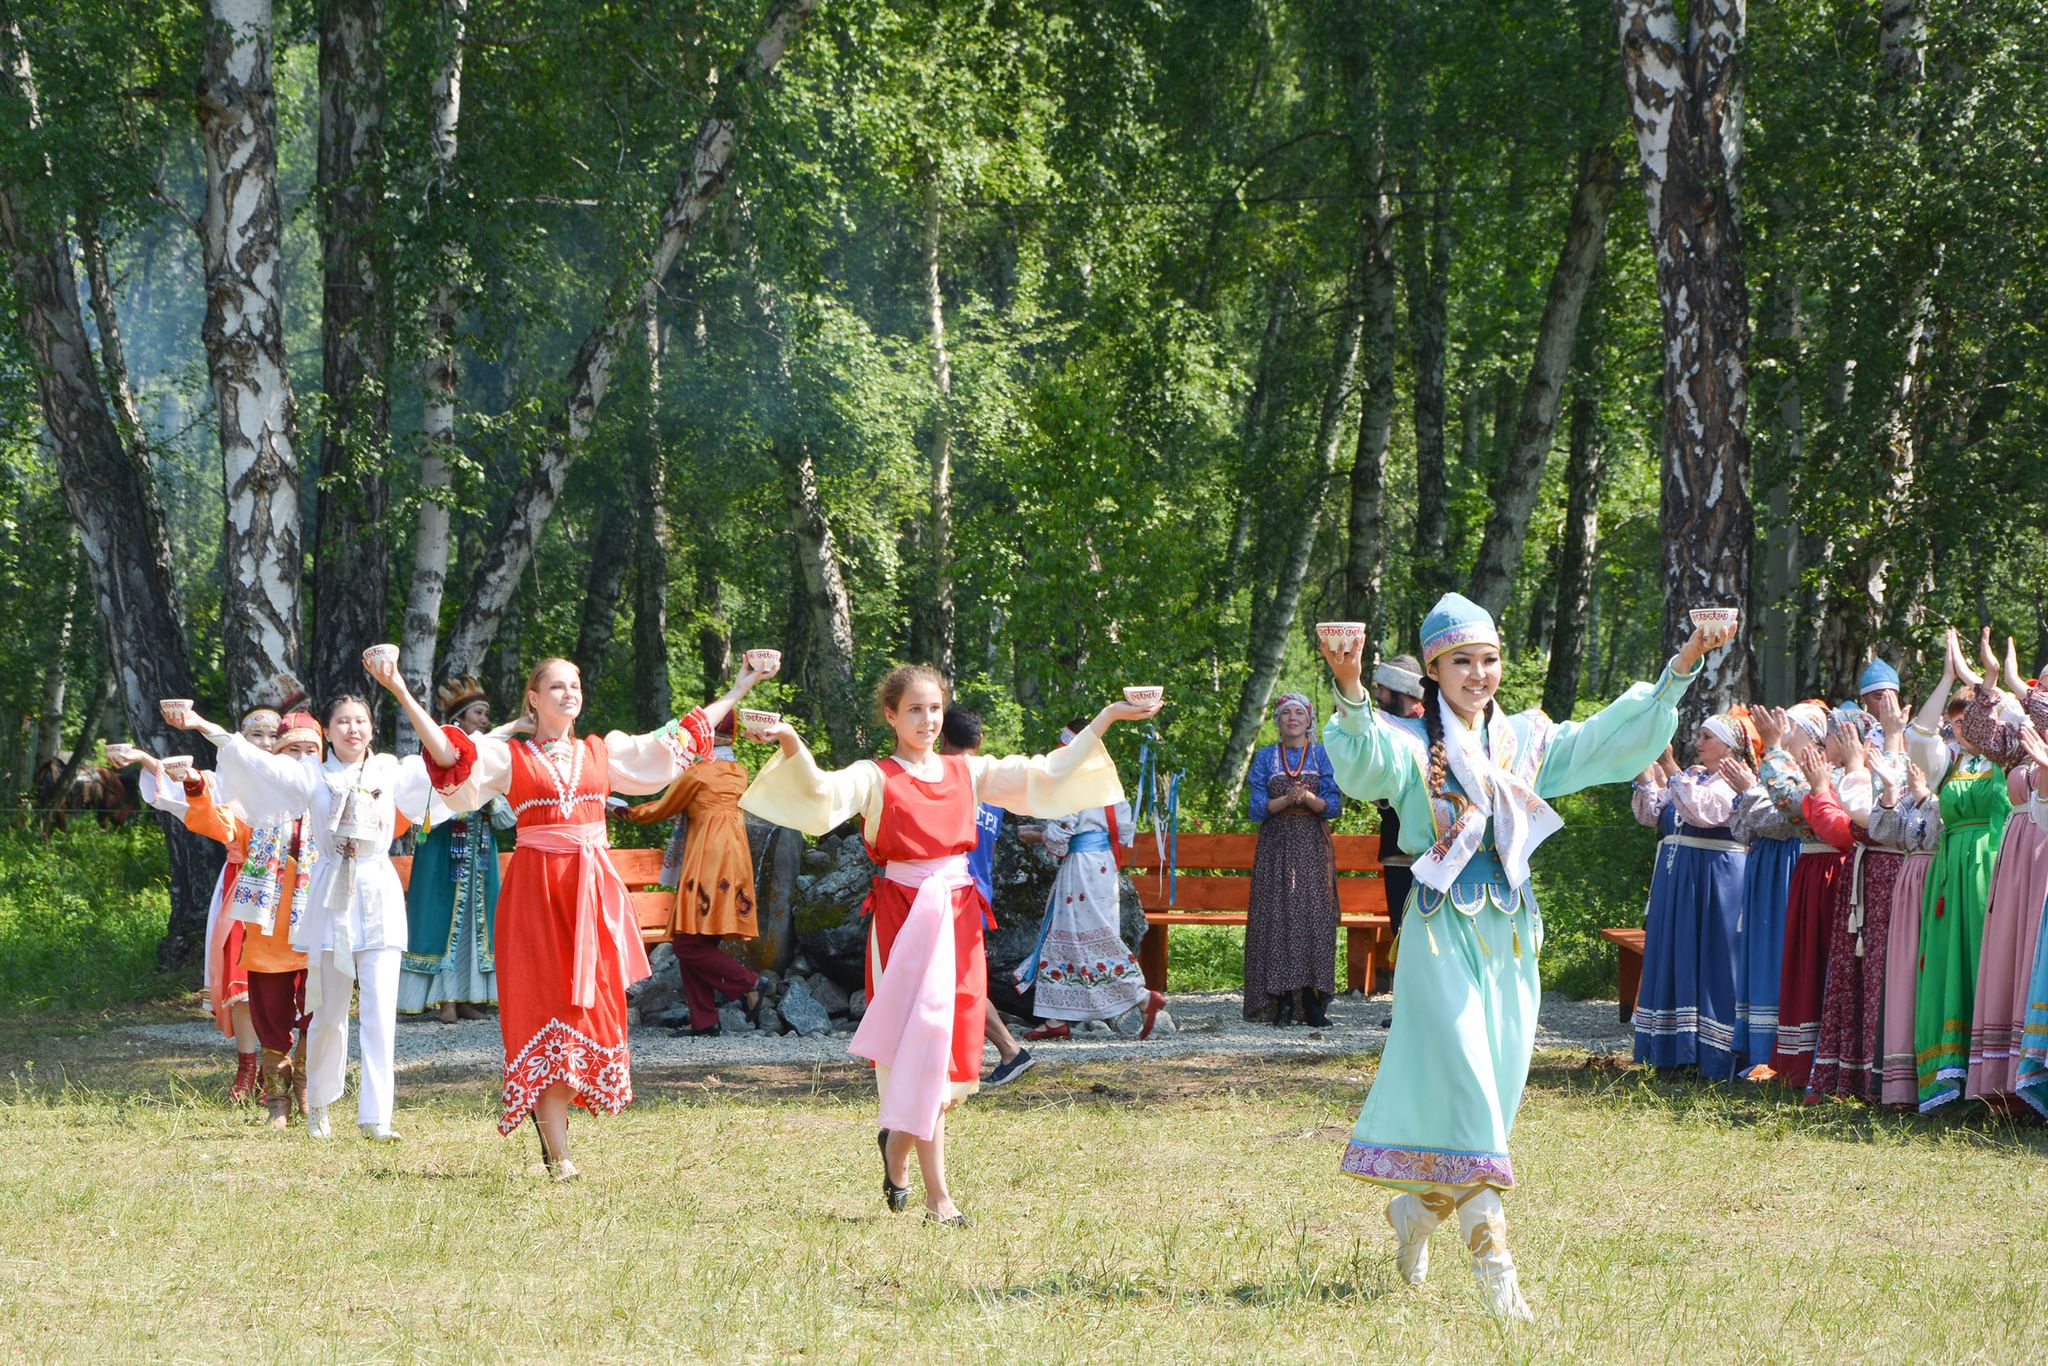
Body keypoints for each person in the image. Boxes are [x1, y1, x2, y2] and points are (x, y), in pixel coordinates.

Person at [1318, 591, 1730, 1321]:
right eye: (1462, 662)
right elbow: (1362, 762)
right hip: (1441, 929)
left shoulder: (1529, 743)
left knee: (1491, 1105)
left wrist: (1684, 664)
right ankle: (1496, 1270)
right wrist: (1350, 686)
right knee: (1473, 1091)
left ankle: (1416, 1213)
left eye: (1489, 659)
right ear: (1436, 672)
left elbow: (1609, 737)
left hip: (1511, 935)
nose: (1479, 674)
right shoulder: (1412, 744)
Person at [740, 666, 1157, 1225]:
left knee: (950, 1052)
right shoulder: (875, 776)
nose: (927, 720)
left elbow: (1050, 772)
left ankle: (895, 1153)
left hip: (959, 921)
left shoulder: (970, 770)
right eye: (914, 709)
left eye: (934, 709)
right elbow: (820, 791)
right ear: (891, 715)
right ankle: (940, 1197)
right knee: (924, 1052)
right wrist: (791, 739)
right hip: (902, 924)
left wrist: (1107, 717)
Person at [377, 653, 767, 1180]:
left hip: (590, 894)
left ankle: (555, 1129)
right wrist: (399, 687)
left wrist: (740, 686)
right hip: (535, 895)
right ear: (534, 699)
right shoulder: (508, 758)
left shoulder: (603, 752)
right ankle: (559, 1154)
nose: (569, 694)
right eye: (556, 687)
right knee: (542, 1005)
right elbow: (448, 754)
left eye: (575, 685)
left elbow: (674, 740)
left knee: (589, 1006)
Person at [166, 689, 432, 1141]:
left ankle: (377, 1118)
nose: (353, 729)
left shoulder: (390, 768)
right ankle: (320, 1107)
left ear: (372, 728)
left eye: (361, 721)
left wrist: (402, 690)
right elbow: (256, 763)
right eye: (343, 722)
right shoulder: (312, 774)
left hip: (378, 893)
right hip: (328, 897)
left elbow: (446, 765)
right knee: (327, 1014)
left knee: (380, 1012)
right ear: (328, 731)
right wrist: (202, 727)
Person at [135, 703, 281, 1102]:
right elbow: (182, 795)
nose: (265, 743)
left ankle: (277, 1068)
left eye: (273, 736)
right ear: (241, 741)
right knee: (242, 979)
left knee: (282, 981)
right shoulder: (224, 783)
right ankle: (247, 1066)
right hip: (240, 885)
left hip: (289, 888)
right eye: (256, 735)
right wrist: (146, 760)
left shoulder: (294, 782)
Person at [1906, 627, 2013, 1111]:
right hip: (1951, 871)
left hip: (1992, 866)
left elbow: (2013, 713)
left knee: (1985, 963)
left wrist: (1989, 679)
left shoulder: (2007, 760)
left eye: (1968, 713)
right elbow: (1918, 737)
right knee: (1951, 966)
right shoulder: (1949, 762)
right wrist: (1949, 677)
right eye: (1959, 715)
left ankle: (1993, 1083)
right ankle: (1951, 1084)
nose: (1960, 723)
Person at [1012, 718, 1162, 1041]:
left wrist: (1037, 835)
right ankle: (1055, 1019)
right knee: (1073, 933)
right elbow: (1124, 828)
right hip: (1103, 865)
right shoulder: (1107, 779)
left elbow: (1059, 835)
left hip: (1081, 866)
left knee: (1085, 937)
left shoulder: (1074, 781)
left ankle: (1142, 997)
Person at [620, 711, 766, 1038]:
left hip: (708, 860)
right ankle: (705, 1021)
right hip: (736, 861)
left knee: (687, 944)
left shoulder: (699, 773)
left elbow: (661, 808)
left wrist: (623, 811)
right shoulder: (739, 772)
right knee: (697, 940)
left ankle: (751, 983)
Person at [1628, 712, 1752, 1076]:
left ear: (1729, 747)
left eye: (1706, 737)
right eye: (1698, 736)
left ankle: (1712, 1055)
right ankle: (1669, 1049)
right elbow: (1651, 814)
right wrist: (1643, 773)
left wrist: (1668, 763)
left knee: (1711, 956)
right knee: (1674, 952)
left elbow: (1701, 811)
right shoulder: (1695, 776)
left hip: (1715, 880)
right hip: (1678, 879)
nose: (1698, 743)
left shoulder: (1733, 782)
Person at [1802, 693, 1911, 1101]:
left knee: (1880, 971)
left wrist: (1851, 766)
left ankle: (1880, 1075)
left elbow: (1861, 816)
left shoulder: (1874, 770)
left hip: (1885, 877)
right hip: (1864, 876)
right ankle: (1852, 1072)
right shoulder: (1862, 769)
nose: (1823, 748)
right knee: (1856, 974)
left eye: (1830, 739)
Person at [399, 677, 517, 1023]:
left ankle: (468, 997)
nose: (484, 719)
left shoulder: (488, 756)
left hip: (479, 853)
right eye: (479, 713)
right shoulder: (436, 756)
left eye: (486, 714)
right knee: (442, 918)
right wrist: (465, 799)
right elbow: (429, 805)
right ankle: (444, 1000)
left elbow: (505, 816)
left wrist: (488, 799)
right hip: (443, 852)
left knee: (474, 924)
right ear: (459, 720)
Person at [1964, 637, 2048, 1101]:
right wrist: (1992, 681)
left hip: (2044, 852)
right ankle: (2007, 1081)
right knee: (2011, 954)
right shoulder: (2026, 743)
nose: (2041, 694)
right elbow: (1980, 733)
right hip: (2019, 847)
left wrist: (2021, 685)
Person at [939, 707, 1033, 1087]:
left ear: (941, 739)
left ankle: (1011, 1050)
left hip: (954, 895)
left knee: (959, 981)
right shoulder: (990, 791)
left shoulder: (943, 781)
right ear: (979, 743)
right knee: (954, 979)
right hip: (977, 895)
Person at [1756, 701, 1847, 1090]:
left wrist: (1773, 747)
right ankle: (1801, 1059)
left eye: (1788, 728)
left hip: (1832, 872)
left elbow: (1790, 801)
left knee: (1822, 960)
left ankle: (1823, 1060)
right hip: (1811, 870)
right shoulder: (1824, 777)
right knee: (1806, 960)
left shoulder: (1839, 776)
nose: (1781, 732)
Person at [1242, 693, 1345, 1025]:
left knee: (1313, 915)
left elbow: (1335, 804)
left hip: (1312, 846)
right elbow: (1257, 808)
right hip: (1277, 845)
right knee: (1277, 915)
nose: (1292, 719)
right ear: (1278, 720)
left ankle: (1312, 998)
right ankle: (1280, 996)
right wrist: (1287, 799)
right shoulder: (1266, 757)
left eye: (1299, 713)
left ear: (1309, 720)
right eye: (1286, 713)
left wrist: (1308, 798)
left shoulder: (1321, 755)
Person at [1371, 657, 1426, 952]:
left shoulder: (1435, 725)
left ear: (1399, 691)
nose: (1377, 695)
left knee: (1434, 928)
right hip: (1397, 845)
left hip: (1437, 847)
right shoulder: (1380, 727)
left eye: (1382, 688)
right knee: (1402, 929)